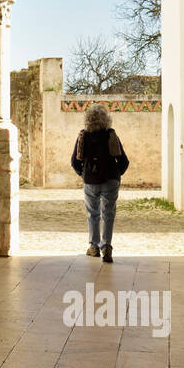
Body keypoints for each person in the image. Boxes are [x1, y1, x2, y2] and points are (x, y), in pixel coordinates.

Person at [70, 102, 130, 262]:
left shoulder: (83, 135)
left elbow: (75, 162)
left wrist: (83, 175)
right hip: (110, 179)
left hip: (91, 180)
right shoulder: (111, 135)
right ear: (106, 119)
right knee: (108, 213)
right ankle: (107, 247)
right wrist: (117, 174)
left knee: (93, 214)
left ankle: (94, 246)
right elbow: (124, 161)